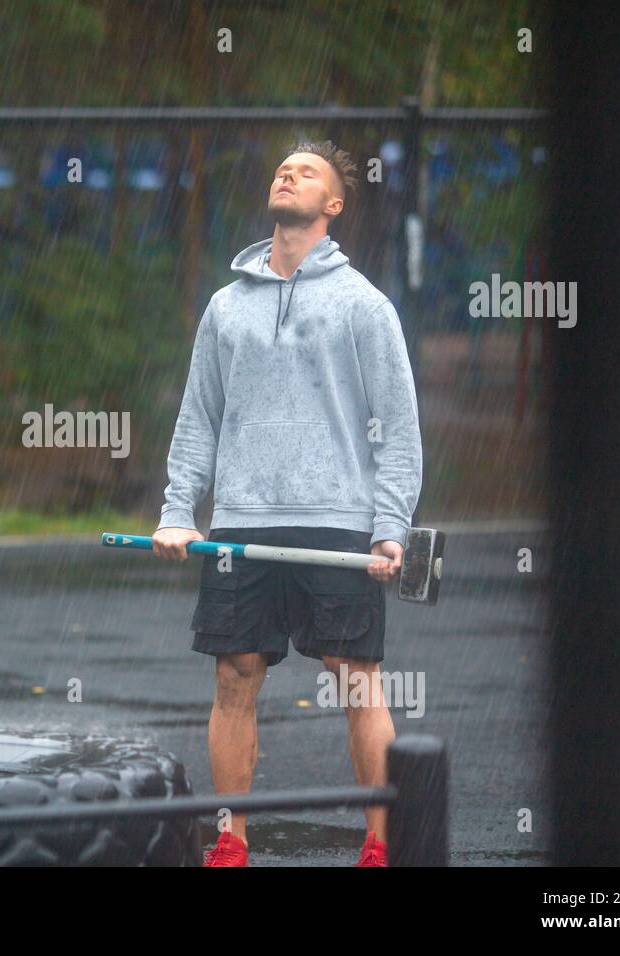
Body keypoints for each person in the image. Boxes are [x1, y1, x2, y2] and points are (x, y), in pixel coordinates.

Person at [151, 140, 422, 867]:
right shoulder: (226, 306)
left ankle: (382, 843)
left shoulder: (364, 304)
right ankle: (232, 839)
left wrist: (390, 527)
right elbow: (197, 417)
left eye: (306, 171)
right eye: (282, 167)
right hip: (241, 519)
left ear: (333, 205)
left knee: (355, 678)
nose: (287, 173)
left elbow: (398, 427)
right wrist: (180, 511)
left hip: (338, 519)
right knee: (234, 674)